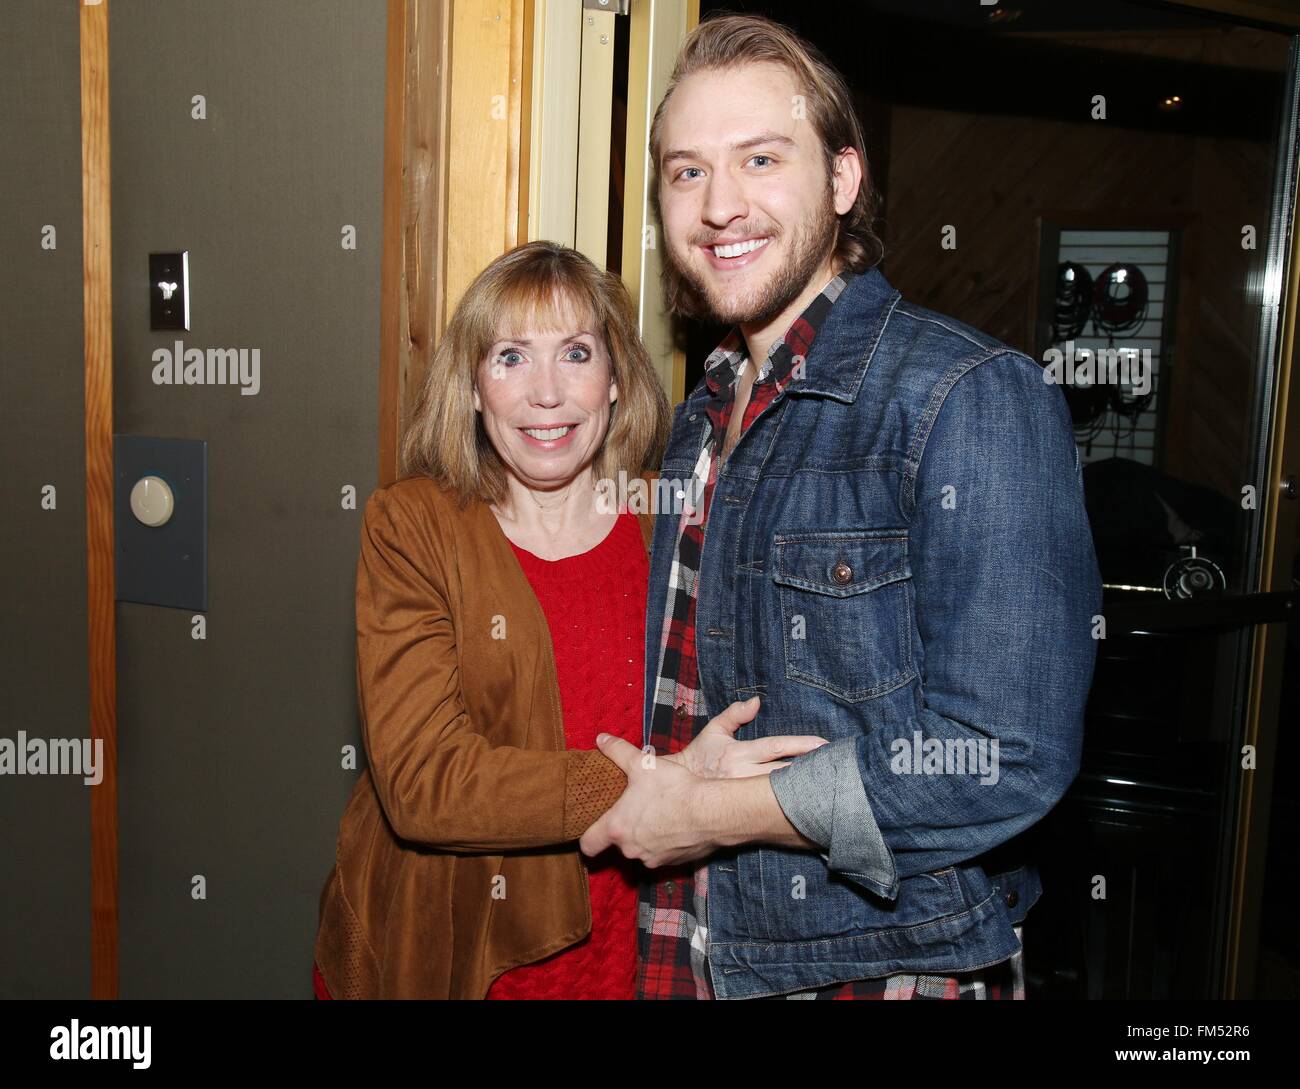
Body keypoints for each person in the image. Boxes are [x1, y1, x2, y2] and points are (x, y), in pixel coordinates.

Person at [580, 13, 1103, 1000]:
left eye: (761, 158)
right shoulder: (696, 415)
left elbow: (1008, 755)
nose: (720, 205)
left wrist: (717, 814)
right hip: (699, 943)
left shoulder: (967, 395)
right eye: (686, 172)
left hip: (877, 968)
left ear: (842, 180)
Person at [312, 240, 825, 999]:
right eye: (511, 356)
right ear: (474, 387)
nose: (546, 394)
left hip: (642, 941)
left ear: (616, 380)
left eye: (576, 353)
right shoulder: (414, 526)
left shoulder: (676, 521)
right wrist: (649, 785)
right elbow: (426, 782)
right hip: (462, 945)